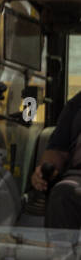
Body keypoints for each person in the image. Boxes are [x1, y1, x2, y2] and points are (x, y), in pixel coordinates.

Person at [32, 91, 81, 231]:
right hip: (78, 177)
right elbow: (58, 150)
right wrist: (44, 169)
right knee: (63, 194)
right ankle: (60, 252)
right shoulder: (77, 105)